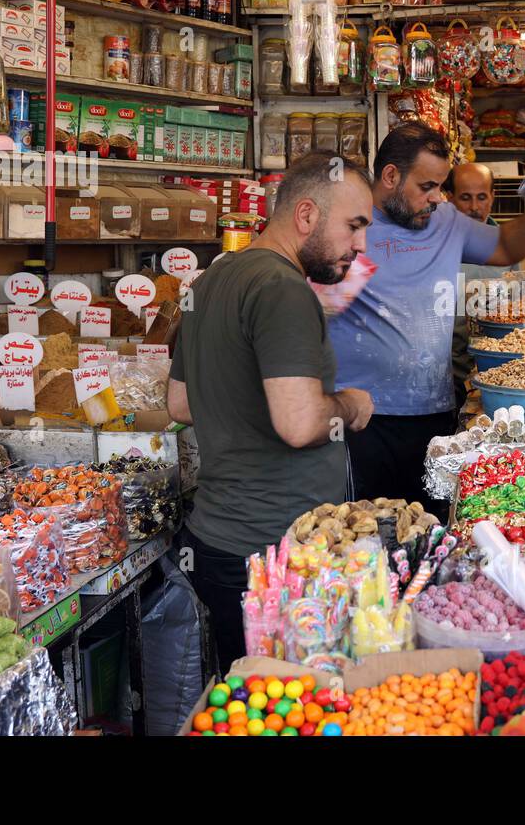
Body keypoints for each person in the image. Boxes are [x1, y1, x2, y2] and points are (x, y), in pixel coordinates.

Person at [167, 151, 375, 670]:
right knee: (289, 705)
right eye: (353, 226)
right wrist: (349, 405)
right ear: (305, 216)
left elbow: (180, 404)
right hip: (274, 553)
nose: (361, 246)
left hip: (216, 542)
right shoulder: (282, 289)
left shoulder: (212, 280)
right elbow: (300, 424)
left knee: (245, 697)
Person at [330, 122, 525, 515]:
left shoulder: (445, 221)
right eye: (427, 187)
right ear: (390, 176)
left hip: (434, 414)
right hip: (362, 421)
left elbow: (507, 246)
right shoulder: (347, 226)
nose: (438, 198)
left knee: (432, 531)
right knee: (366, 536)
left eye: (441, 186)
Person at [449, 162, 507, 409]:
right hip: (446, 381)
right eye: (465, 198)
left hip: (497, 379)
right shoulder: (432, 247)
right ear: (449, 198)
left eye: (482, 197)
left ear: (492, 197)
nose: (474, 207)